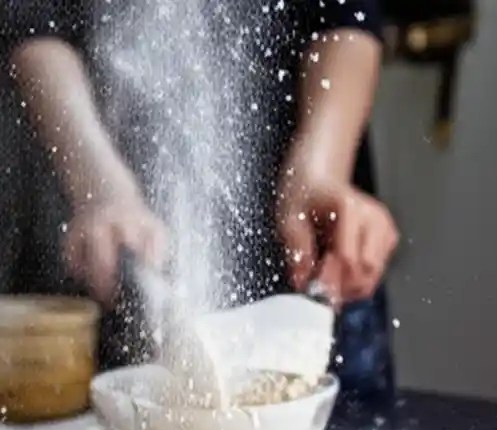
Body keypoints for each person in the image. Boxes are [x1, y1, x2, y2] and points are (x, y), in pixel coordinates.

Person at [0, 0, 399, 400]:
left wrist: (322, 166)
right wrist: (98, 185)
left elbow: (349, 12)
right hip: (119, 263)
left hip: (310, 261)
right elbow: (31, 19)